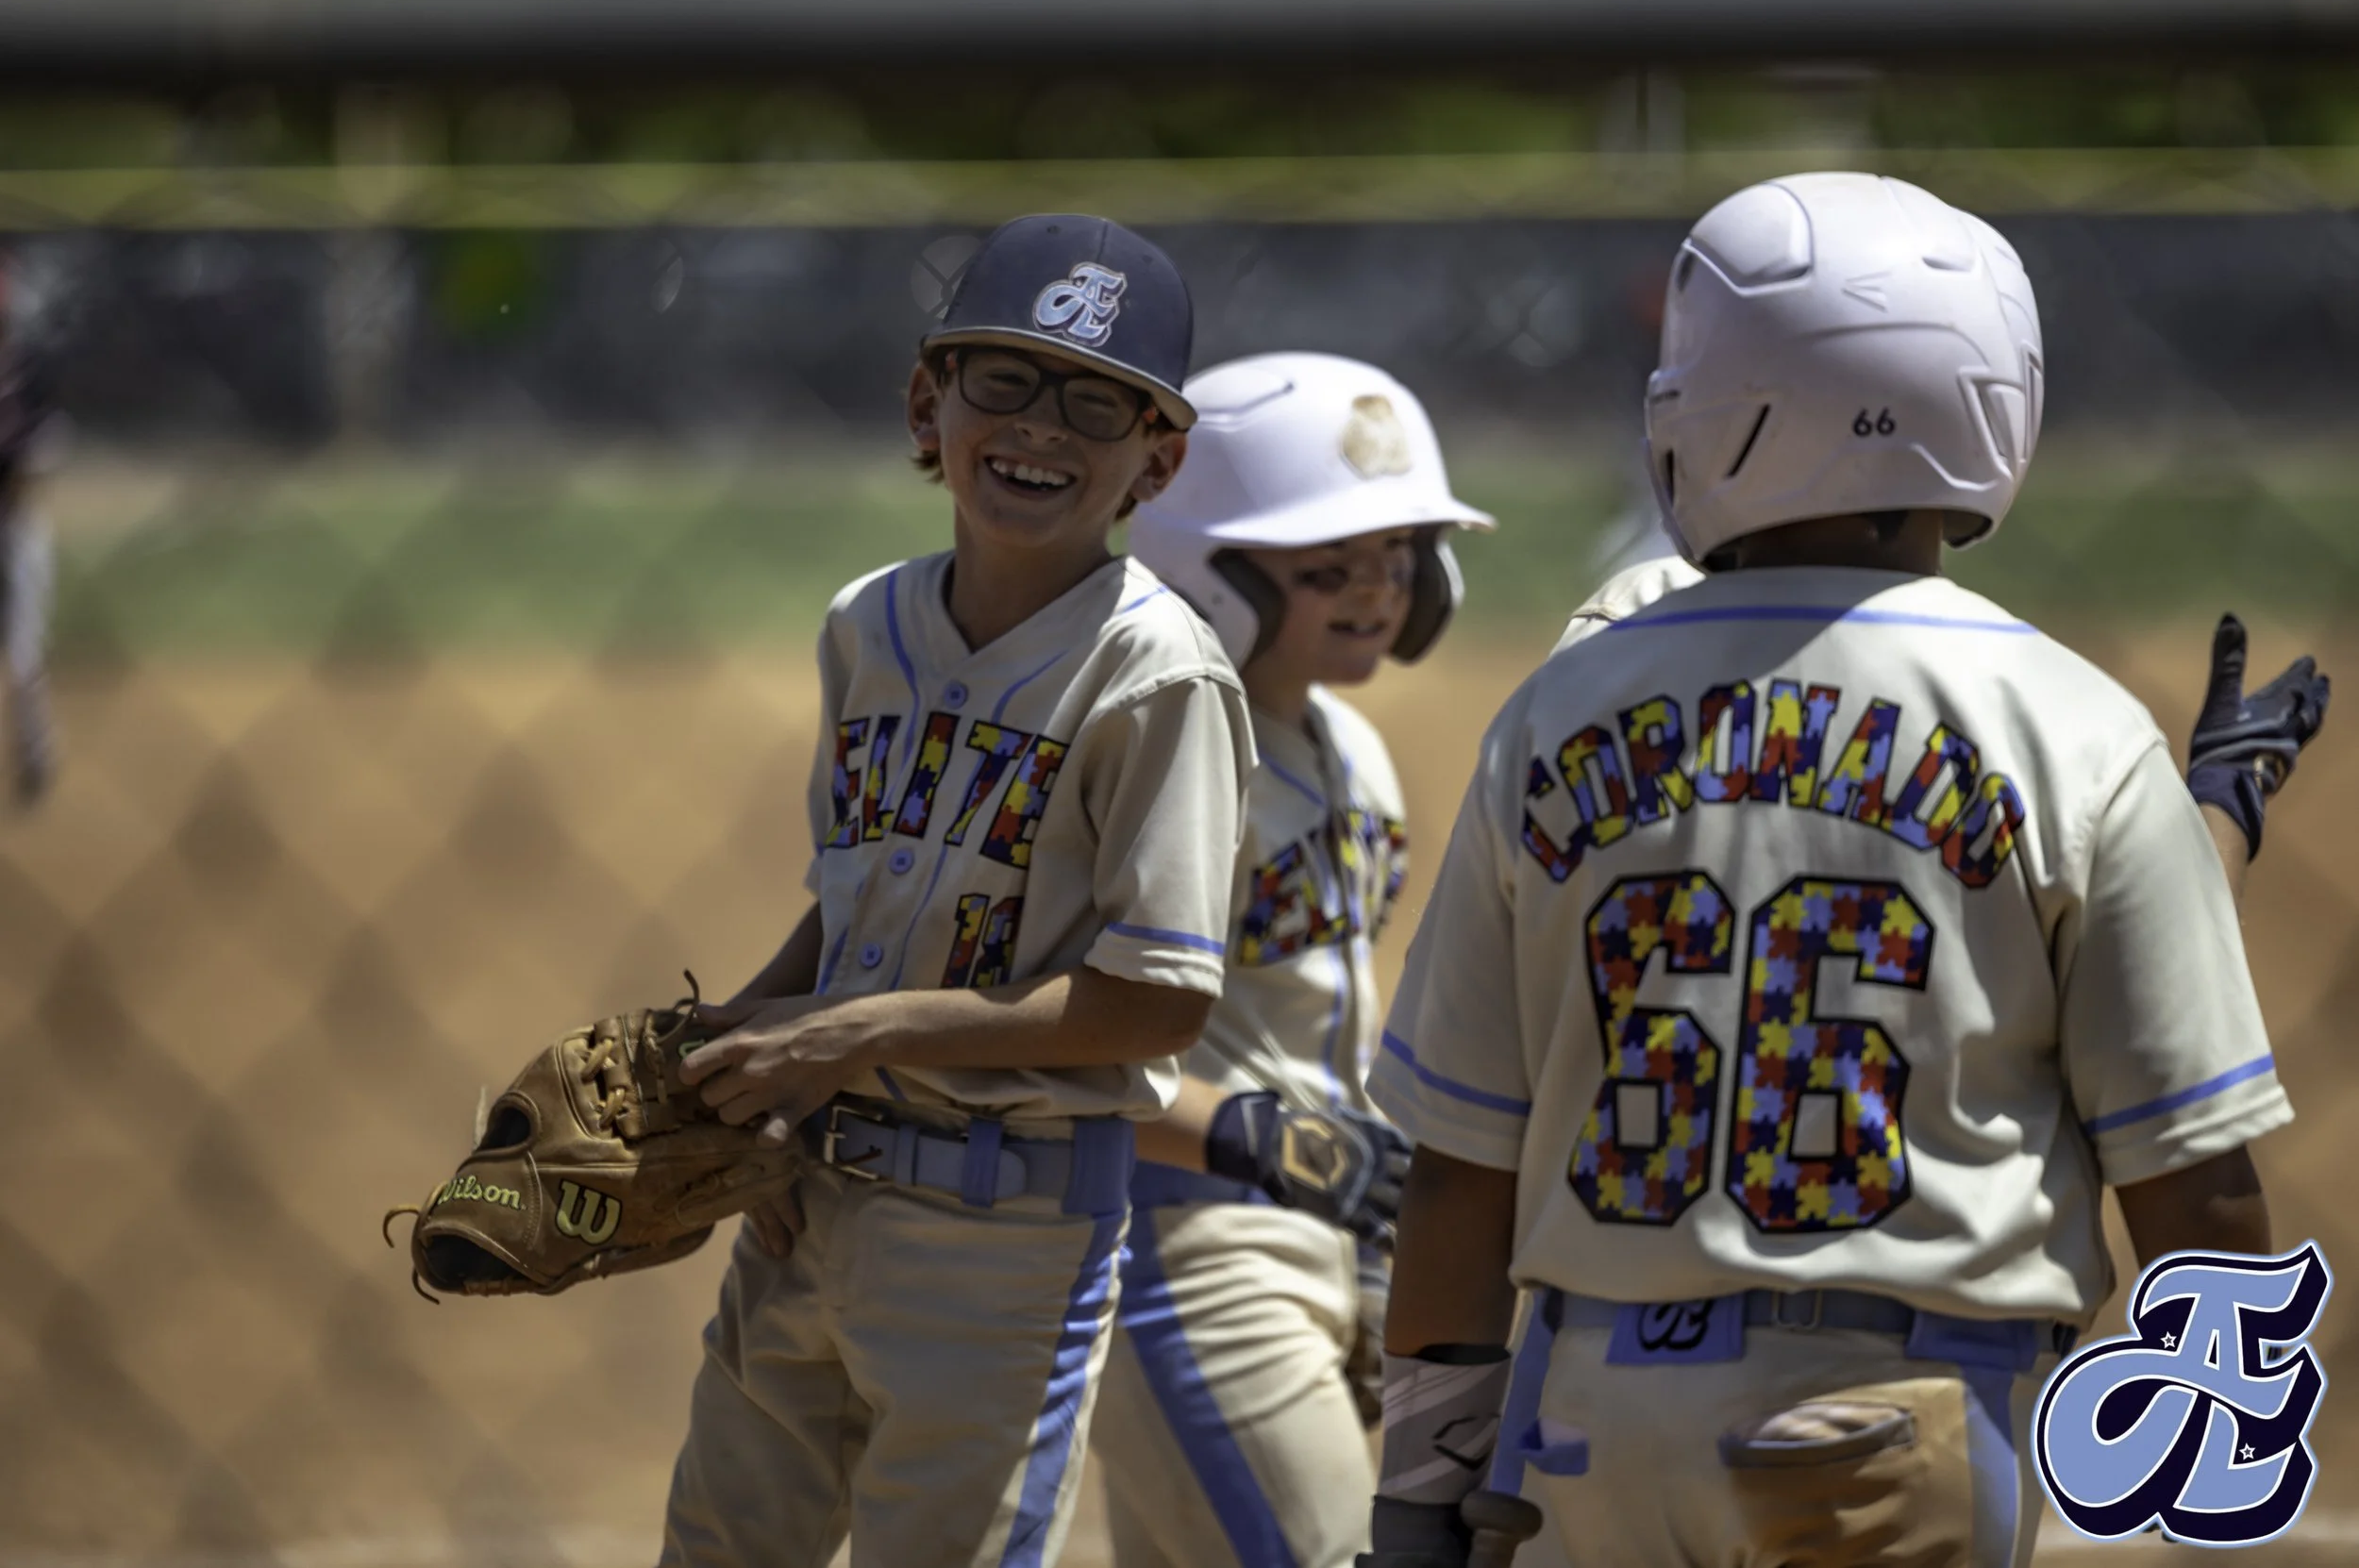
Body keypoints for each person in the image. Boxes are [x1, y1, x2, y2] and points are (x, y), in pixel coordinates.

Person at [1359, 173, 2326, 1568]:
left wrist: (1422, 1484)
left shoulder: (1560, 711)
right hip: (1915, 1418)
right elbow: (2195, 1174)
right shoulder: (2070, 723)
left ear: (1712, 405)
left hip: (1591, 1424)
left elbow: (1461, 1170)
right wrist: (2216, 1467)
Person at [657, 213, 1256, 1568]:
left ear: (1154, 458)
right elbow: (851, 903)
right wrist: (749, 1045)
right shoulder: (865, 624)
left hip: (1008, 1236)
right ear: (929, 402)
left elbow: (1154, 1002)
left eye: (1096, 400)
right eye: (1007, 378)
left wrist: (855, 1033)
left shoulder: (1157, 676)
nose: (1042, 426)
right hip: (806, 1199)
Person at [1090, 354, 1494, 1568]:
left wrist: (1374, 1226)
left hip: (1326, 1223)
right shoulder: (1157, 754)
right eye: (1327, 568)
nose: (1376, 595)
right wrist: (1269, 1138)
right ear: (1210, 575)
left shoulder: (1352, 749)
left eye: (1398, 560)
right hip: (1185, 1248)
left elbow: (1321, 1020)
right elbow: (1057, 1042)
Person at [0, 249, 61, 808]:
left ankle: (35, 754)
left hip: (17, 528)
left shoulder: (31, 367)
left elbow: (40, 461)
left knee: (23, 652)